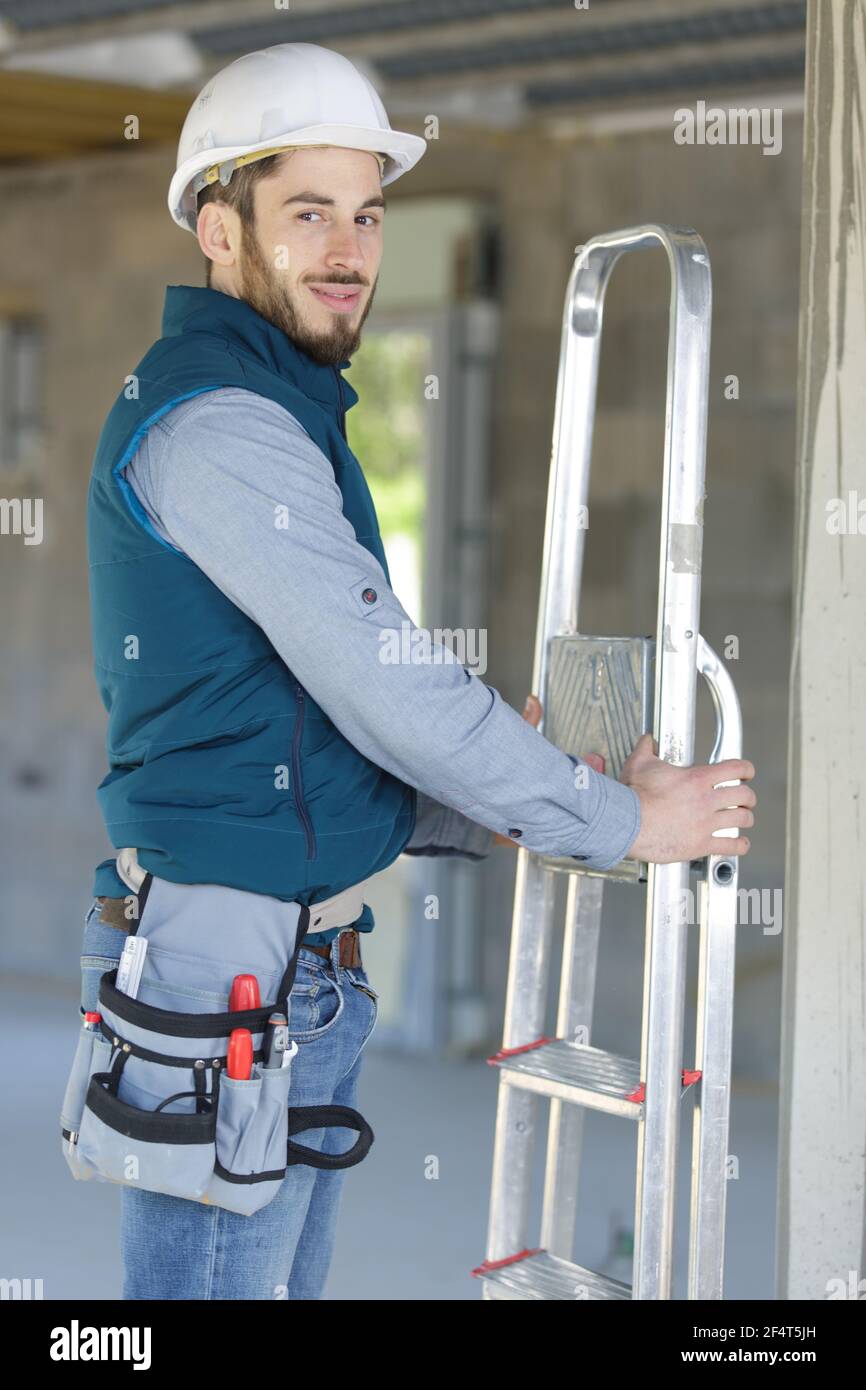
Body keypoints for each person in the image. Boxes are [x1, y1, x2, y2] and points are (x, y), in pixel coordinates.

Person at [80, 42, 756, 1300]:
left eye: (368, 212)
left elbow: (310, 717)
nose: (348, 249)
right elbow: (384, 685)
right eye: (307, 213)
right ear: (218, 230)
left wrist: (508, 794)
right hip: (232, 970)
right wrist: (613, 821)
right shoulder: (222, 426)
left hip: (285, 970)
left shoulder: (278, 411)